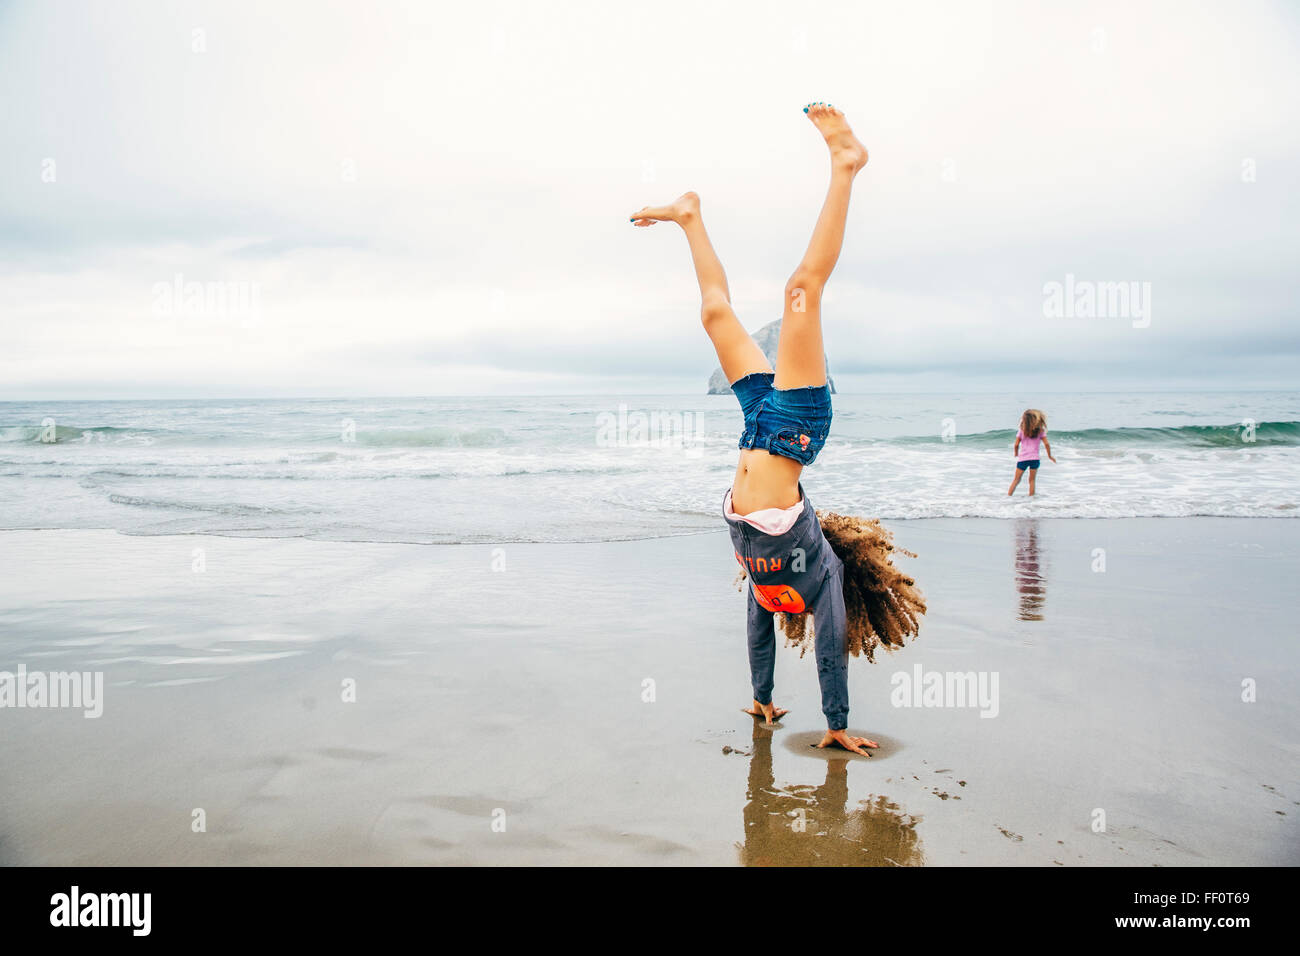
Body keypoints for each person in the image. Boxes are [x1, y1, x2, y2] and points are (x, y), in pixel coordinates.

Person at [630, 103, 923, 756]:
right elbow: (829, 655)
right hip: (794, 430)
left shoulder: (765, 588)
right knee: (800, 291)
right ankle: (847, 165)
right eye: (810, 617)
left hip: (755, 427)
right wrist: (837, 724)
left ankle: (689, 215)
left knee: (712, 313)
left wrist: (763, 702)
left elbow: (758, 640)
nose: (794, 618)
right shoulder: (818, 577)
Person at [1007, 408, 1057, 496]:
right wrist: (1049, 456)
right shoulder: (1041, 431)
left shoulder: (1021, 431)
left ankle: (1008, 496)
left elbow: (1016, 445)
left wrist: (1016, 453)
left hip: (1023, 459)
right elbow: (1047, 444)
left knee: (1016, 480)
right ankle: (1031, 499)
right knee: (1032, 480)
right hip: (1035, 459)